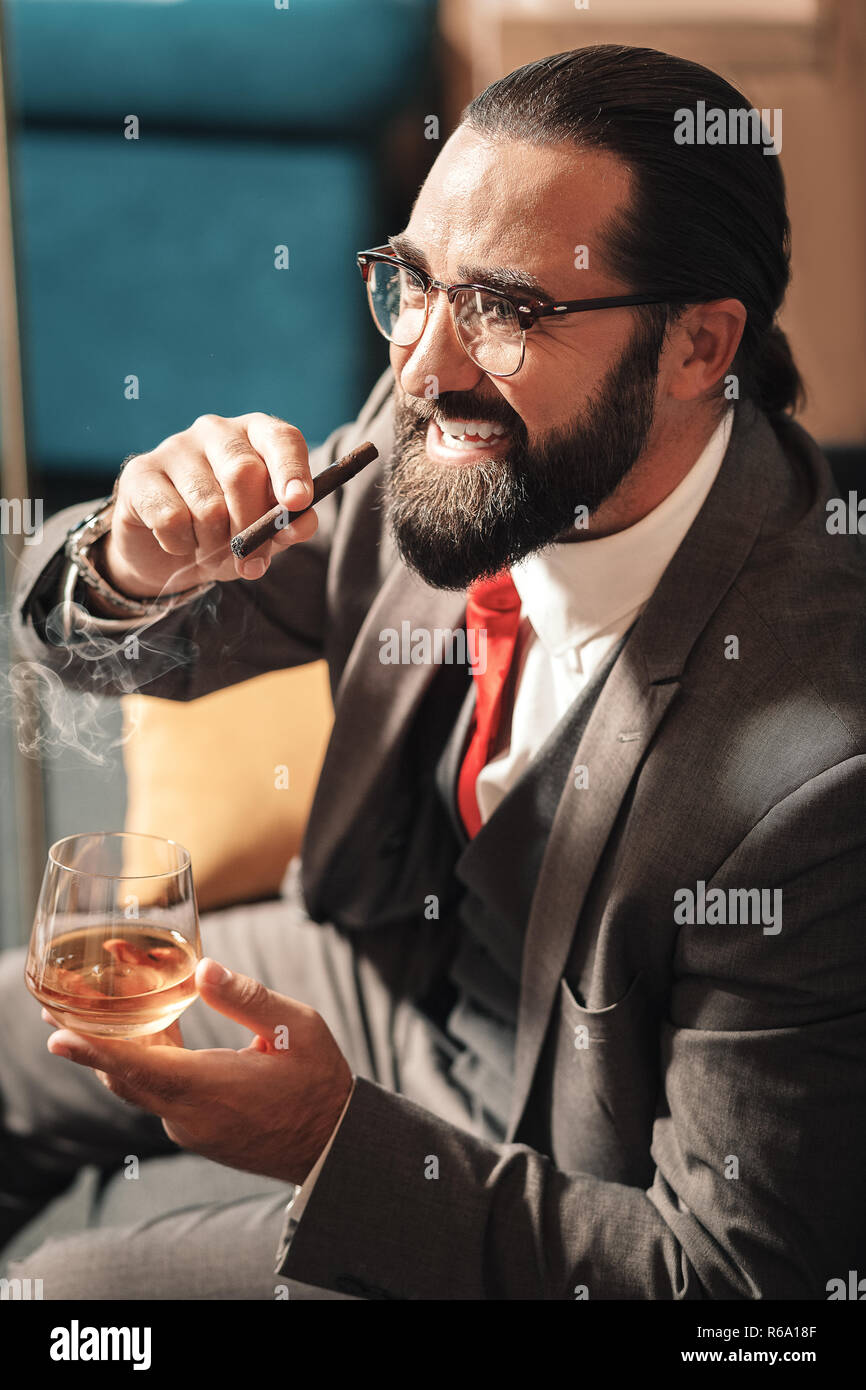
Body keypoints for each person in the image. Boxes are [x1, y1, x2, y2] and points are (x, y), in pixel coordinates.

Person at [5, 45, 866, 1300]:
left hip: (568, 1154)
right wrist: (130, 558)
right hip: (383, 973)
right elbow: (140, 636)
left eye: (509, 309)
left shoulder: (819, 776)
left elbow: (736, 1286)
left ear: (696, 347)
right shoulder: (457, 413)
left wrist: (330, 1143)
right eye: (411, 282)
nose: (422, 364)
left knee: (67, 1305)